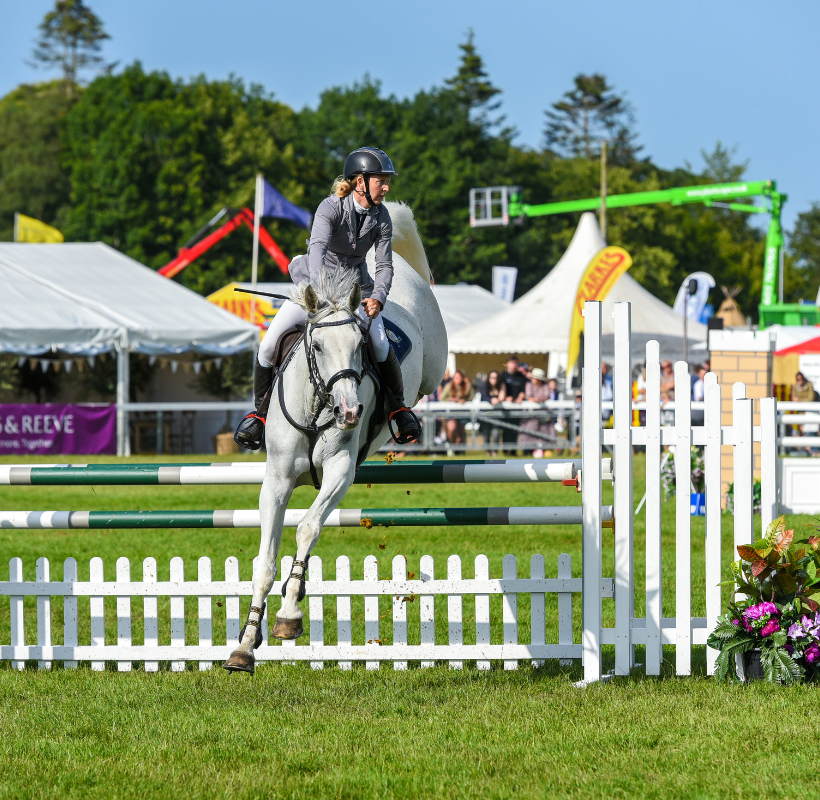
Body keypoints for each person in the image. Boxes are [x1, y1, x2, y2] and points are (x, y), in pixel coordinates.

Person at [234, 147, 419, 449]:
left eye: (387, 181)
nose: (386, 187)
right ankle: (260, 416)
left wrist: (379, 299)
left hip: (354, 293)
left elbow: (385, 265)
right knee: (268, 344)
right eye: (380, 181)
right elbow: (316, 252)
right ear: (360, 182)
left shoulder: (382, 217)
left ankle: (398, 409)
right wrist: (321, 298)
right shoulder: (330, 208)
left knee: (382, 345)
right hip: (315, 293)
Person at [518, 368, 553, 457]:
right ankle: (527, 449)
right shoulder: (529, 385)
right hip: (530, 414)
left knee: (543, 431)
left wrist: (539, 400)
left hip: (543, 414)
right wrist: (535, 400)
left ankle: (541, 449)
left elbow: (546, 396)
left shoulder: (545, 386)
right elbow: (529, 397)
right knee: (528, 431)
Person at [439, 369, 474, 446]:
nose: (458, 379)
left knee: (460, 434)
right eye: (456, 377)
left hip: (463, 414)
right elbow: (442, 398)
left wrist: (463, 400)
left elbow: (471, 398)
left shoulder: (467, 386)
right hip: (451, 413)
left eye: (460, 377)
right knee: (452, 429)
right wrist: (451, 399)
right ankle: (452, 445)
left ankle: (457, 451)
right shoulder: (449, 386)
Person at [499, 356, 527, 453]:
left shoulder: (521, 376)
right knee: (506, 429)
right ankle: (505, 450)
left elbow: (524, 390)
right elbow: (500, 390)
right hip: (506, 407)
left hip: (517, 407)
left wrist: (520, 397)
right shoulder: (503, 375)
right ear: (507, 364)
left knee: (515, 429)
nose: (513, 365)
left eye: (515, 363)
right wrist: (506, 398)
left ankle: (513, 450)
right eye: (511, 363)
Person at [479, 370, 506, 455]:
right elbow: (484, 397)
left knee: (496, 432)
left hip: (497, 414)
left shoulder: (501, 385)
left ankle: (495, 451)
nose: (494, 379)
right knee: (486, 432)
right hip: (486, 413)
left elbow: (502, 397)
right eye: (492, 377)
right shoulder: (485, 386)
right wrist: (491, 400)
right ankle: (488, 451)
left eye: (496, 377)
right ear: (489, 378)